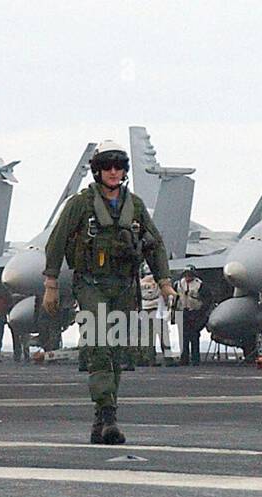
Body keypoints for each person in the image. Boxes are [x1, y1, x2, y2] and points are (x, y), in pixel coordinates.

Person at [43, 140, 173, 444]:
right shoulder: (80, 204)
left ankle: (101, 419)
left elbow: (154, 244)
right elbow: (57, 242)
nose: (113, 172)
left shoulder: (135, 205)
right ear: (97, 170)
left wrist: (165, 284)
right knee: (100, 345)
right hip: (91, 284)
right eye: (107, 166)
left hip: (125, 286)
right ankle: (108, 414)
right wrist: (50, 285)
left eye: (118, 166)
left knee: (117, 351)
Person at [175, 265, 206, 366]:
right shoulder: (179, 284)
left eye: (190, 275)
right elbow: (175, 299)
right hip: (183, 312)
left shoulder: (199, 284)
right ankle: (184, 358)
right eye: (186, 274)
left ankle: (195, 358)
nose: (188, 277)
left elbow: (207, 299)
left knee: (194, 336)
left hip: (195, 312)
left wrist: (202, 312)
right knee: (184, 337)